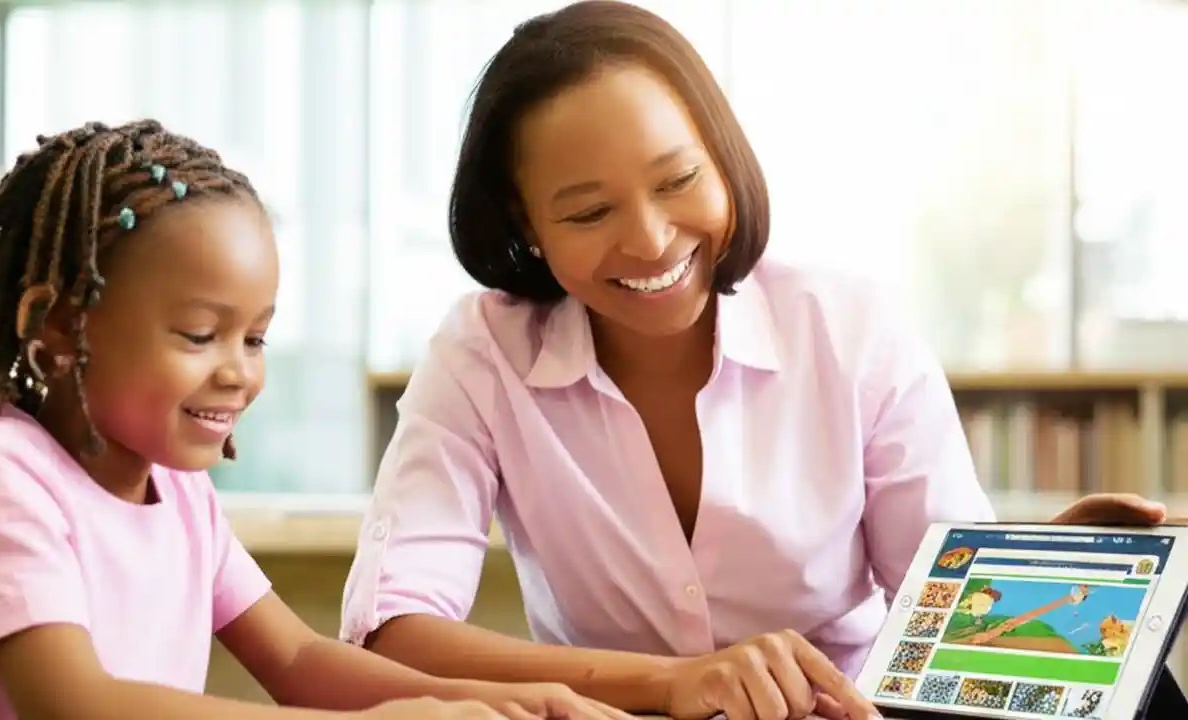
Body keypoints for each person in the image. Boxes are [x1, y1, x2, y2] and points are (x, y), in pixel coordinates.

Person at [338, 3, 1169, 720]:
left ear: (722, 153)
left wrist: (1043, 571)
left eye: (679, 179)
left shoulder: (848, 327)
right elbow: (393, 630)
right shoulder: (481, 354)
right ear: (526, 227)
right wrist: (675, 685)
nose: (651, 239)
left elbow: (941, 619)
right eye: (589, 211)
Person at [0, 120, 633, 720]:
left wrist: (514, 701)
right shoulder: (0, 480)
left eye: (254, 338)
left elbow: (298, 659)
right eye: (199, 335)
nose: (238, 372)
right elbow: (74, 704)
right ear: (61, 328)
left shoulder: (181, 493)